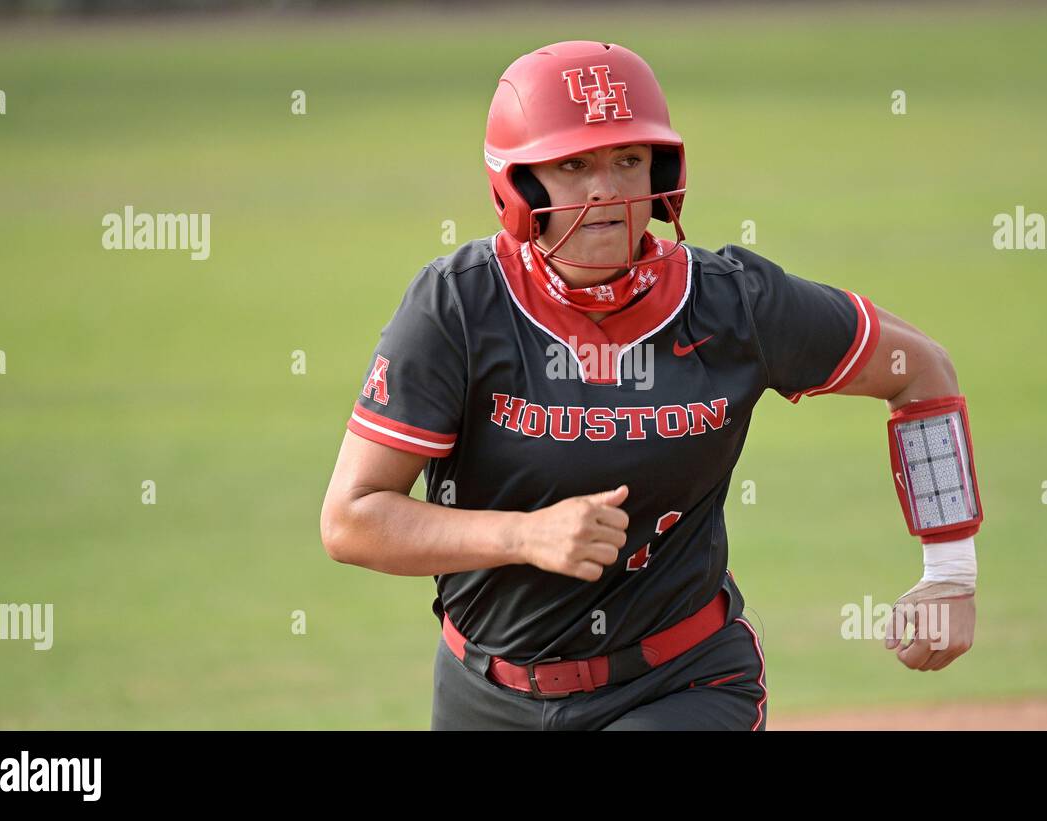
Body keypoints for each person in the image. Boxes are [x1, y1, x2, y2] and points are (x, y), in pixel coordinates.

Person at [319, 40, 982, 731]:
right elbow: (352, 518)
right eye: (573, 164)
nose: (605, 189)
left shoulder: (731, 304)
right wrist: (525, 535)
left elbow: (922, 370)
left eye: (627, 160)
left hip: (678, 683)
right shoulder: (457, 306)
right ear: (518, 185)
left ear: (663, 173)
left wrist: (951, 573)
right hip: (484, 692)